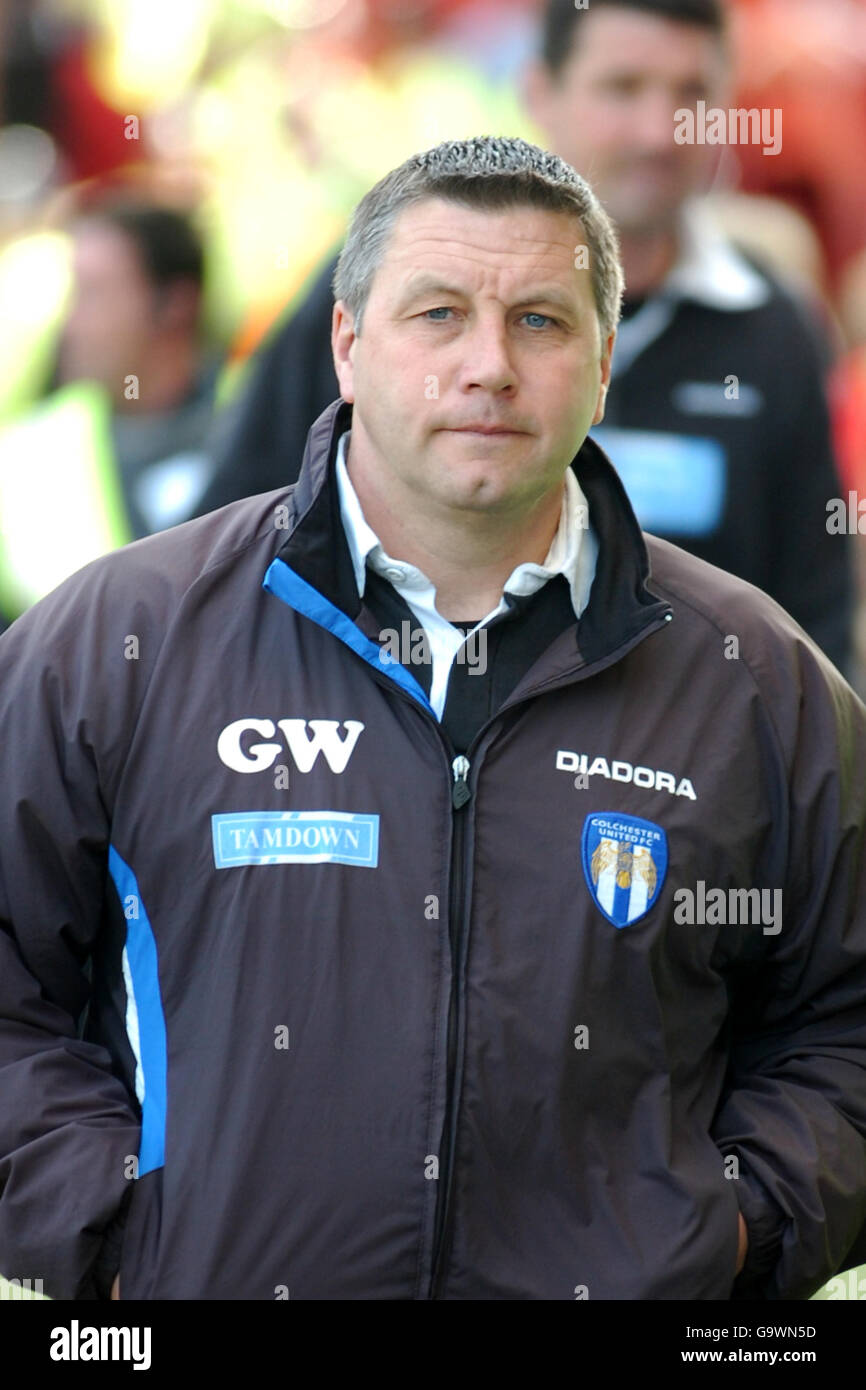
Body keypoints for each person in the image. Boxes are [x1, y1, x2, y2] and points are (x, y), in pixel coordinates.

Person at [0, 135, 865, 1302]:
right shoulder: (122, 638)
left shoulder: (750, 672)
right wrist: (114, 1228)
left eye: (541, 322)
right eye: (439, 313)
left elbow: (843, 1026)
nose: (489, 366)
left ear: (604, 361)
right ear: (347, 344)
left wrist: (733, 1233)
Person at [193, 0, 854, 677]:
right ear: (540, 93)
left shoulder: (771, 330)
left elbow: (816, 615)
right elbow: (240, 535)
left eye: (692, 95)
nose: (661, 131)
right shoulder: (395, 280)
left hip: (682, 758)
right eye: (622, 88)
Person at [0, 200, 221, 627]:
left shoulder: (270, 428)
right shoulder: (21, 457)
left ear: (175, 304)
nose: (71, 324)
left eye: (93, 294)